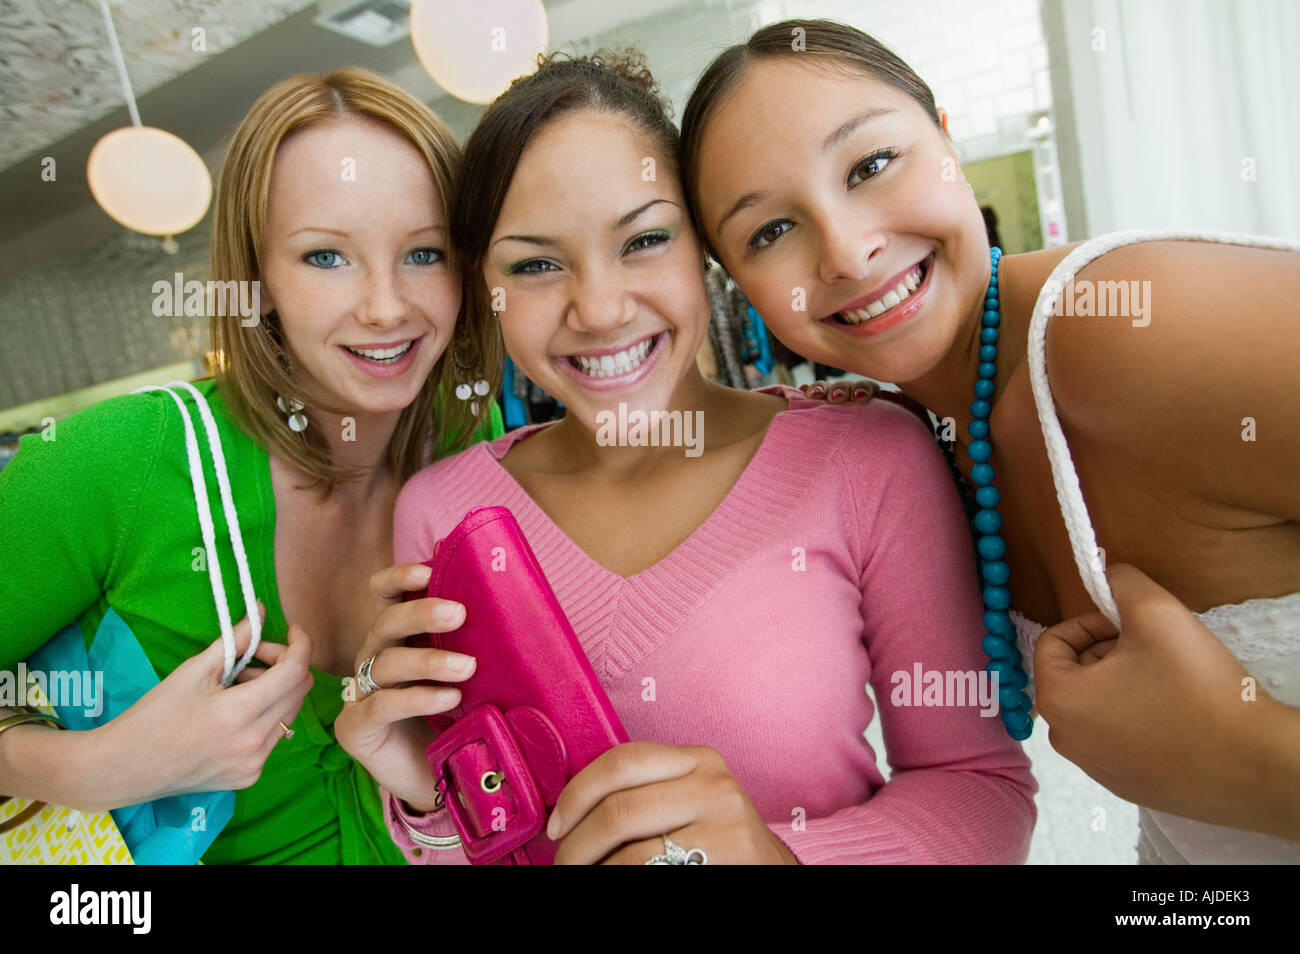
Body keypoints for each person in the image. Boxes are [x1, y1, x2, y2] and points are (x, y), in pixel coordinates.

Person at [335, 49, 1036, 865]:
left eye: (644, 240)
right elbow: (496, 844)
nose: (599, 310)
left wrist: (781, 859)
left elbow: (980, 790)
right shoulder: (443, 512)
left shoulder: (867, 457)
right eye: (534, 265)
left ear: (704, 249)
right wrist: (425, 789)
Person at [677, 19, 1300, 861]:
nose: (849, 251)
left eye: (869, 166)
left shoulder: (1125, 331)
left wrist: (1254, 764)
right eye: (769, 232)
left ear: (945, 139)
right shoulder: (914, 438)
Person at [0, 67, 503, 864]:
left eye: (424, 253)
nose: (385, 306)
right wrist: (95, 769)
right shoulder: (116, 461)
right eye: (325, 257)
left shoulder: (470, 444)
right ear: (257, 282)